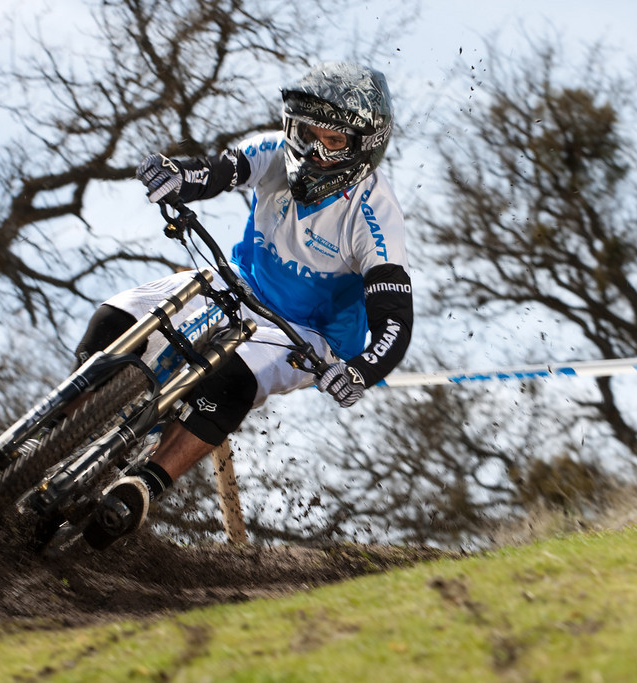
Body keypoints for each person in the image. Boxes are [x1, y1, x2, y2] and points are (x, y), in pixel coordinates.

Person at [78, 61, 412, 548]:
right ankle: (52, 439)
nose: (314, 152)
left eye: (333, 141)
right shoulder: (275, 150)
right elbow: (218, 171)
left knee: (232, 377)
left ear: (364, 146)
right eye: (306, 133)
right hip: (239, 282)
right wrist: (176, 175)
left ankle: (144, 485)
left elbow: (395, 323)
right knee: (115, 319)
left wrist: (360, 371)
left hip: (308, 330)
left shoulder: (375, 212)